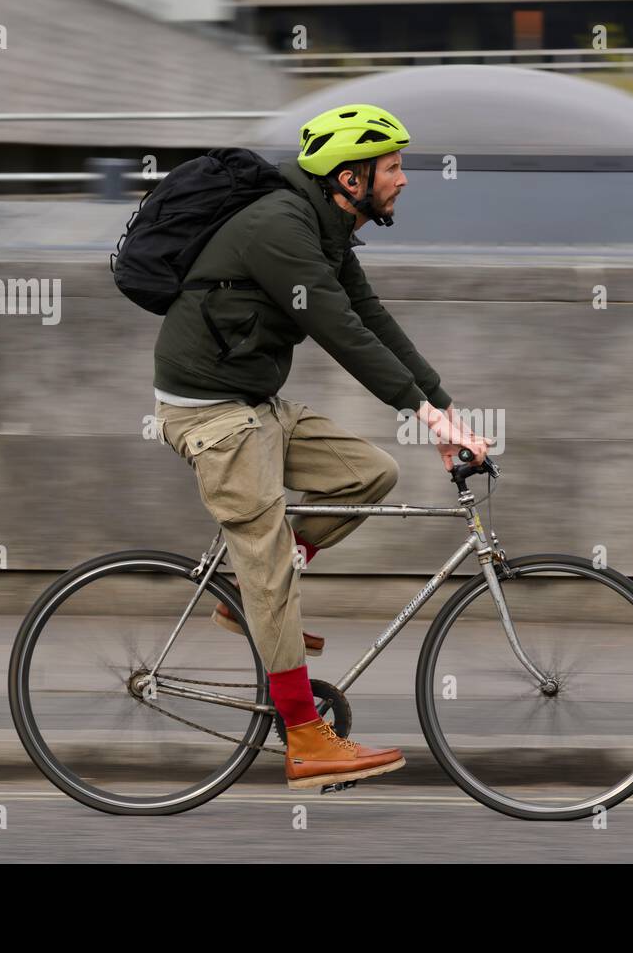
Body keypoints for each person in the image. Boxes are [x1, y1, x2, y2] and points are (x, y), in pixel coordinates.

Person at [153, 103, 492, 790]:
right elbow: (339, 328)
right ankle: (307, 739)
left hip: (254, 401)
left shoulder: (326, 226)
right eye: (393, 167)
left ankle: (249, 602)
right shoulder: (282, 228)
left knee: (369, 472)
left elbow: (370, 315)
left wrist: (444, 408)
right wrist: (420, 412)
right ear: (350, 176)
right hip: (212, 414)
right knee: (270, 568)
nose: (404, 179)